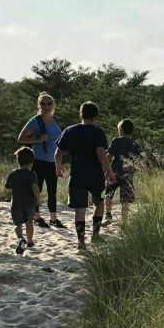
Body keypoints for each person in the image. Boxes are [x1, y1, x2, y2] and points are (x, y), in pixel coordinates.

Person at [55, 102, 115, 250]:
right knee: (99, 203)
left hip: (77, 175)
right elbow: (101, 154)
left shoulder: (69, 130)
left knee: (79, 209)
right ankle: (95, 235)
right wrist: (109, 171)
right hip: (95, 176)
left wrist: (58, 166)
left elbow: (58, 153)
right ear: (95, 116)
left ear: (81, 114)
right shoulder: (97, 132)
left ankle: (81, 241)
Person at [16, 92, 65, 229]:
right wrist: (37, 140)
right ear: (39, 105)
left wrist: (60, 162)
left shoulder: (55, 120)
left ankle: (53, 219)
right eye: (42, 103)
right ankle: (37, 217)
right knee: (37, 190)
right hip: (38, 160)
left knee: (52, 191)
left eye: (49, 103)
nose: (46, 106)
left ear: (53, 105)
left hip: (52, 161)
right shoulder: (35, 121)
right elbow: (21, 138)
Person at [104, 119, 142, 226]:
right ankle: (124, 223)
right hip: (128, 175)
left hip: (114, 173)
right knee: (125, 201)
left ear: (120, 129)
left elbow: (109, 156)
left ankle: (108, 214)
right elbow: (138, 162)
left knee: (108, 193)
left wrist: (105, 167)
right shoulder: (136, 145)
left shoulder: (117, 141)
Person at [5, 147, 40, 255]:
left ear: (18, 160)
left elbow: (8, 186)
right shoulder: (32, 174)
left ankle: (20, 238)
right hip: (29, 204)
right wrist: (38, 199)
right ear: (32, 161)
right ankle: (30, 242)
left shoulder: (12, 174)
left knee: (17, 223)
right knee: (29, 222)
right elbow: (35, 187)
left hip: (16, 203)